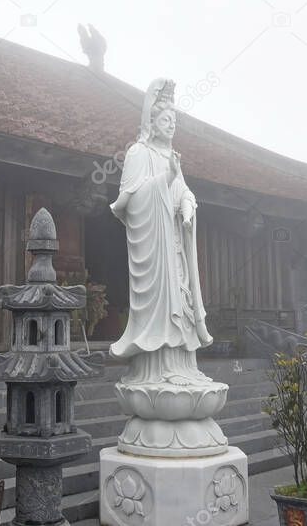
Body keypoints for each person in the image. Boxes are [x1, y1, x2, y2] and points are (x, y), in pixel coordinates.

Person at [109, 78, 213, 386]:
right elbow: (132, 203)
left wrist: (188, 202)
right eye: (166, 120)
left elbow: (183, 190)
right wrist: (165, 180)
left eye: (174, 121)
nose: (171, 126)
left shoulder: (171, 158)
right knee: (164, 302)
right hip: (154, 251)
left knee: (183, 301)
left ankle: (185, 365)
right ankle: (160, 367)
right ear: (152, 123)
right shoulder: (138, 154)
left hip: (175, 245)